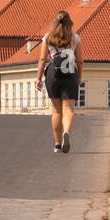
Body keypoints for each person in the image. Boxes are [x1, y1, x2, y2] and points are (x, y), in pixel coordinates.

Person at [36, 10, 82, 153]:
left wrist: (38, 78)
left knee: (56, 111)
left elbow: (43, 59)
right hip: (70, 75)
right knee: (68, 110)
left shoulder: (48, 37)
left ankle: (57, 144)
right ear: (70, 23)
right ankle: (66, 132)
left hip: (53, 75)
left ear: (55, 23)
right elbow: (79, 60)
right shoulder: (75, 38)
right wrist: (79, 78)